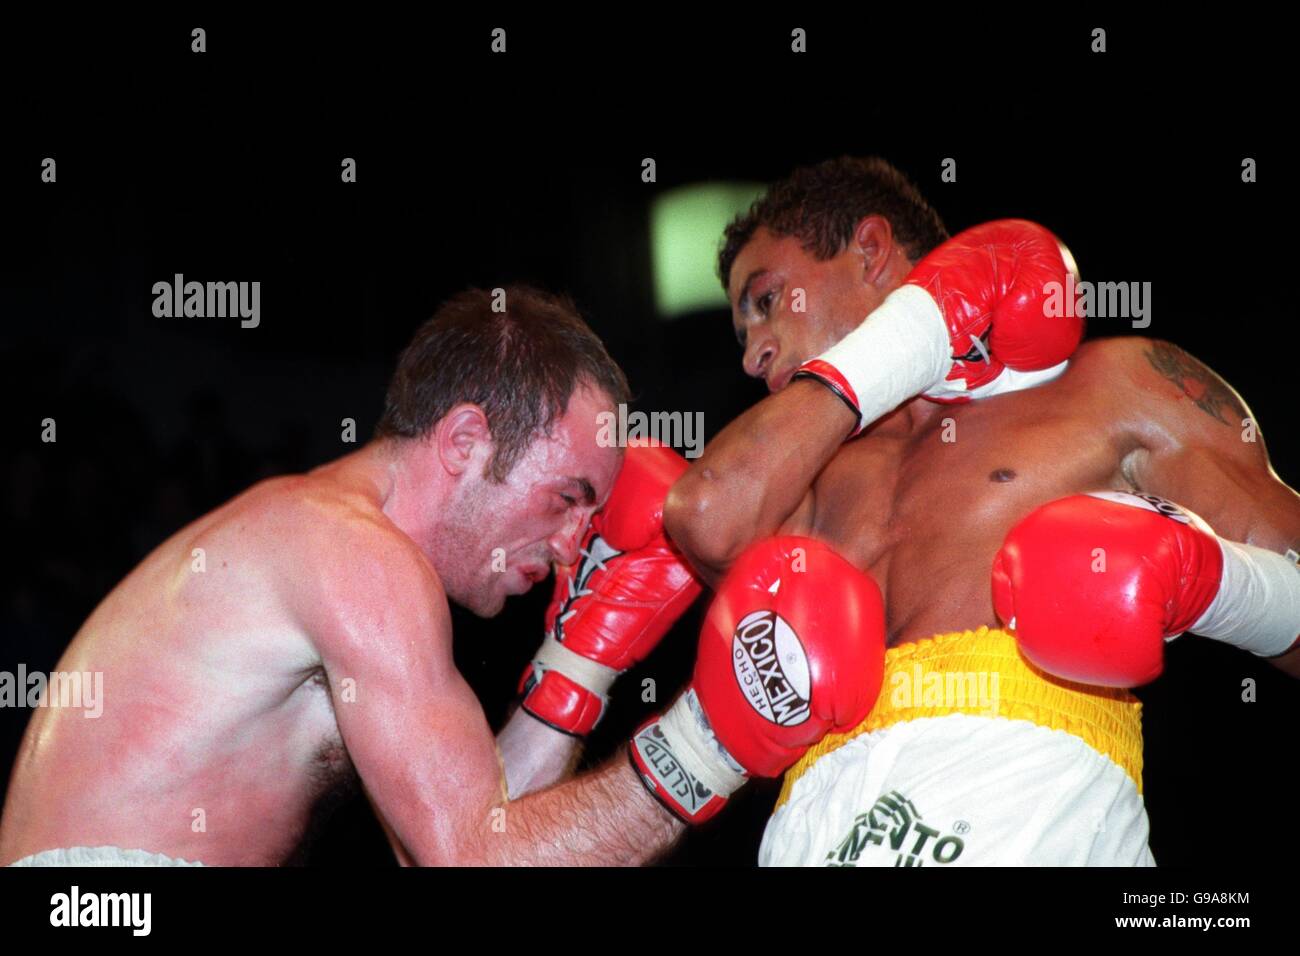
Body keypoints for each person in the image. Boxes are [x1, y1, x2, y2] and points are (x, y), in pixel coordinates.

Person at [0, 285, 885, 866]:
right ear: (465, 442)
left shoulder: (343, 559)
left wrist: (583, 658)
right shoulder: (350, 554)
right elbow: (473, 860)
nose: (580, 540)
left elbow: (471, 834)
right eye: (571, 495)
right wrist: (713, 740)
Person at [663, 157, 1300, 865]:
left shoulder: (1109, 386)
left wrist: (1216, 586)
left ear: (871, 251)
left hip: (1030, 801)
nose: (753, 354)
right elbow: (704, 514)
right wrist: (908, 337)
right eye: (741, 332)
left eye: (766, 300)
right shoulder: (799, 481)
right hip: (817, 824)